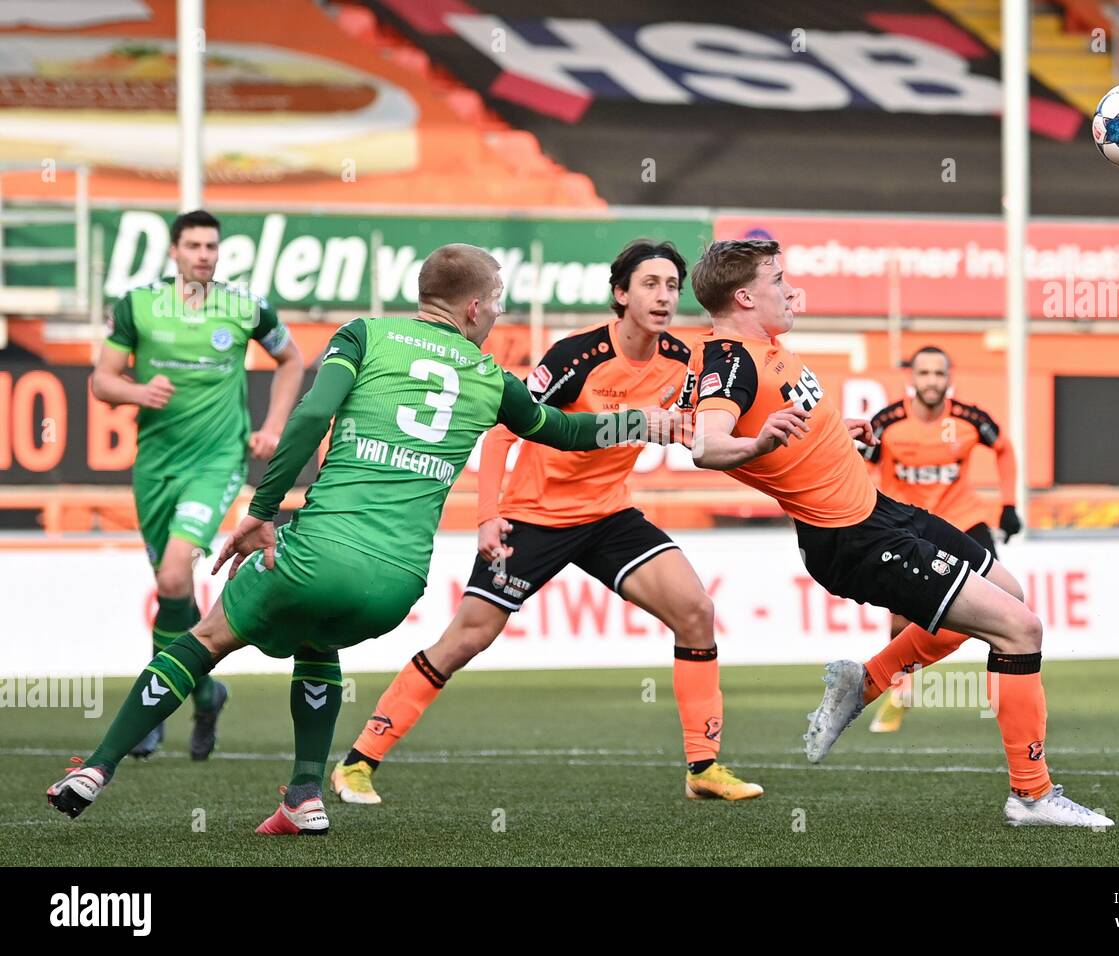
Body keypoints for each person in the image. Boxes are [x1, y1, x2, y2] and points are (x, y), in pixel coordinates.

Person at [48, 243, 664, 835]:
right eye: (497, 301)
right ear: (474, 308)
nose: (498, 312)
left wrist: (263, 510)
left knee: (205, 639)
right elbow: (566, 430)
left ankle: (97, 767)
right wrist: (645, 420)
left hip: (318, 557)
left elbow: (312, 416)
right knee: (319, 639)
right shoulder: (493, 377)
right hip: (397, 586)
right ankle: (305, 797)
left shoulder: (364, 335)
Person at [685, 239, 1112, 828]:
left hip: (880, 510)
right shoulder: (730, 360)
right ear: (744, 296)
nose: (789, 289)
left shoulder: (765, 346)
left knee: (1009, 599)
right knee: (1021, 630)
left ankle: (863, 684)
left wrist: (838, 431)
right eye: (777, 280)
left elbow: (785, 416)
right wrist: (759, 443)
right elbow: (708, 445)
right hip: (853, 538)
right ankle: (1031, 796)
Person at [331, 239, 762, 805]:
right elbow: (504, 433)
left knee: (696, 611)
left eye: (672, 286)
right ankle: (359, 761)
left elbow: (701, 428)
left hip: (609, 515)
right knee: (468, 638)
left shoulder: (683, 361)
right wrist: (489, 518)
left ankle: (703, 767)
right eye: (651, 284)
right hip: (533, 517)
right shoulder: (576, 356)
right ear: (621, 294)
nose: (664, 296)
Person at [91, 209, 303, 760]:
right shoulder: (138, 305)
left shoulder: (245, 307)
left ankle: (153, 710)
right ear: (174, 252)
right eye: (193, 246)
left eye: (211, 246)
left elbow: (290, 360)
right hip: (154, 466)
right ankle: (205, 692)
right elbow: (102, 380)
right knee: (172, 588)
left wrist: (273, 426)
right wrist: (139, 394)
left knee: (173, 570)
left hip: (216, 462)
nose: (204, 254)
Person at [862, 344, 1022, 732]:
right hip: (908, 528)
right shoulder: (886, 422)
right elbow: (860, 467)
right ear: (911, 379)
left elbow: (1004, 449)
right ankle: (900, 690)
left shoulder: (970, 419)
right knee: (901, 620)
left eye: (938, 373)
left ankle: (1006, 690)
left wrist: (1009, 504)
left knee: (1005, 603)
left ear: (949, 378)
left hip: (963, 524)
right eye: (924, 373)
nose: (931, 381)